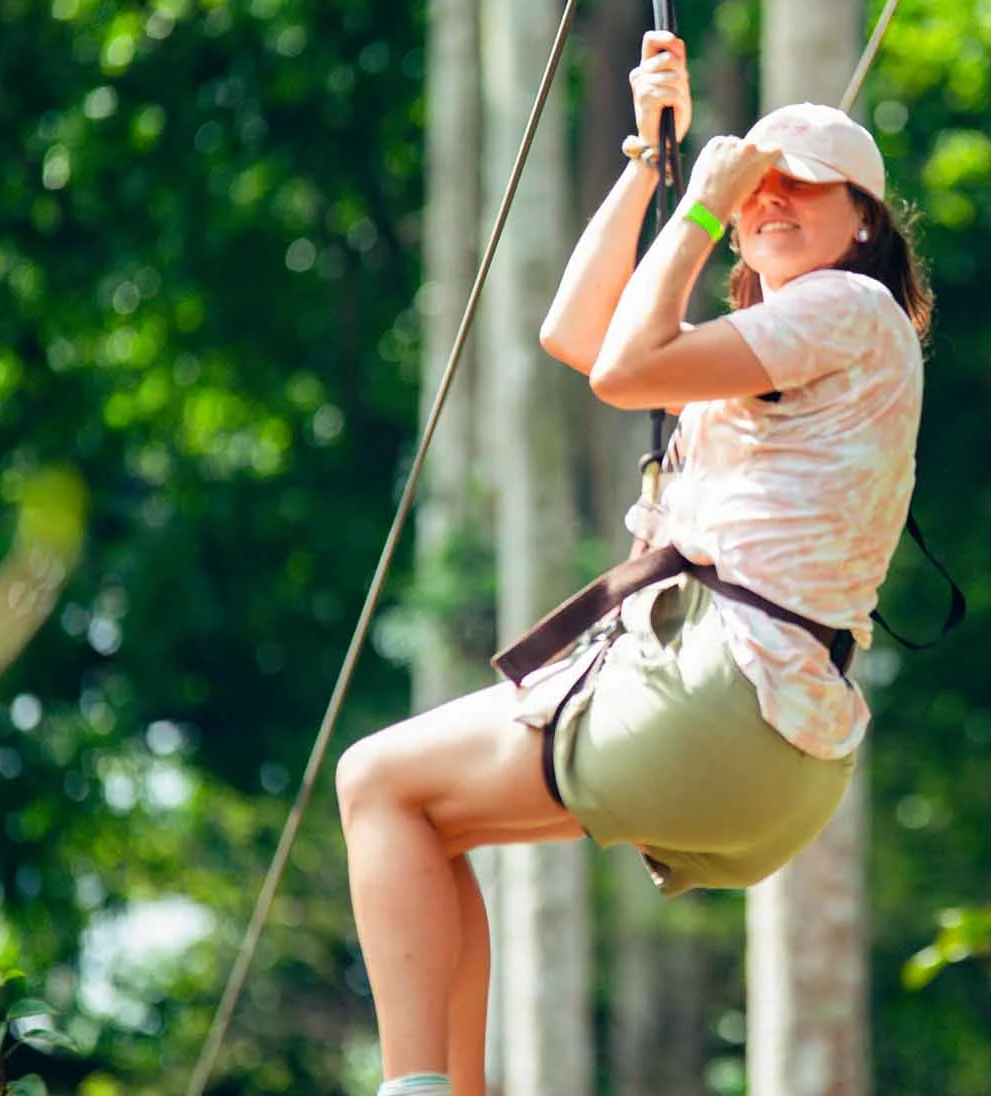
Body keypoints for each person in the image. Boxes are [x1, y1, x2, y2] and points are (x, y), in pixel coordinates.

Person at [335, 28, 932, 1096]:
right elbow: (578, 333)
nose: (773, 202)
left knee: (375, 780)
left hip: (720, 696)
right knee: (425, 821)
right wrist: (651, 170)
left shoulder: (852, 307)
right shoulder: (793, 344)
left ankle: (413, 1089)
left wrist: (704, 206)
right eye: (761, 188)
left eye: (805, 187)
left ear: (866, 225)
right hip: (772, 750)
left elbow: (620, 371)